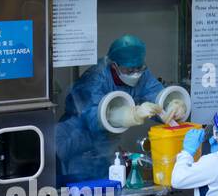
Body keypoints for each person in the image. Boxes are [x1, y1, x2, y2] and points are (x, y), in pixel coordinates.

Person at [55, 34, 176, 183]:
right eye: (129, 70)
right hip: (77, 145)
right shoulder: (96, 78)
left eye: (139, 68)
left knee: (110, 193)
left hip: (106, 149)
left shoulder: (141, 73)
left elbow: (155, 93)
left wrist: (171, 105)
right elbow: (92, 117)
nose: (136, 73)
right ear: (114, 66)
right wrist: (129, 115)